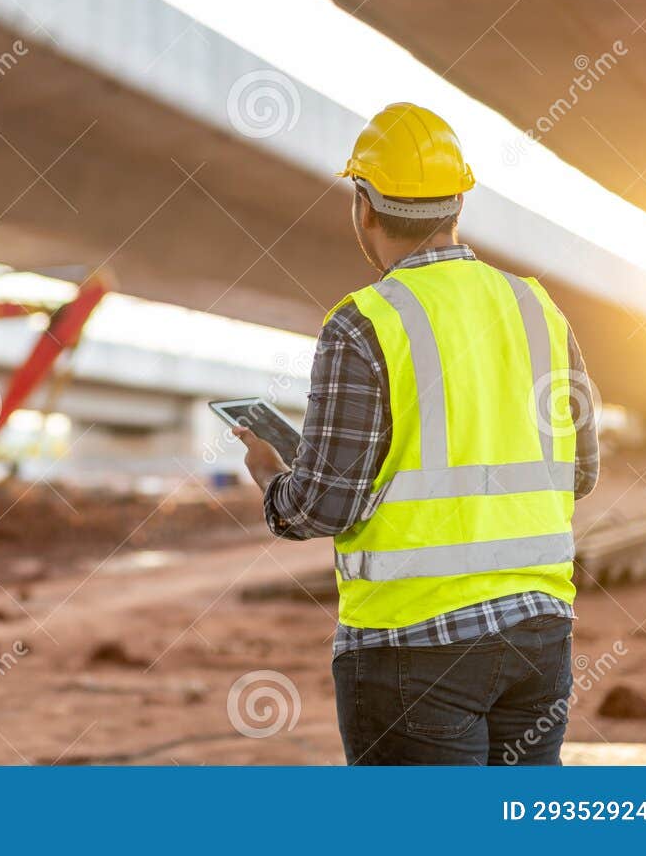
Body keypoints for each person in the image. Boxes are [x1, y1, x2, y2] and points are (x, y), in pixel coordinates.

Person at [234, 103, 598, 765]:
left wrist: (268, 471)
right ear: (459, 202)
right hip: (539, 639)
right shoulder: (537, 308)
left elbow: (322, 507)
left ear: (364, 207)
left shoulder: (362, 324)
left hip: (414, 647)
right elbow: (580, 471)